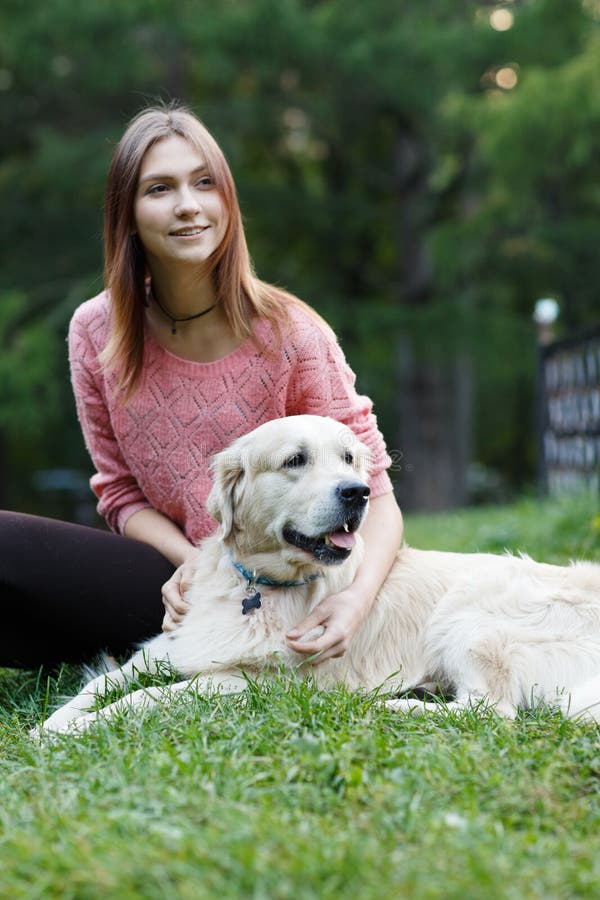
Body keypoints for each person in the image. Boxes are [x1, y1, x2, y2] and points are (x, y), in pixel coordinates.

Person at [0, 103, 403, 670]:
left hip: (274, 590)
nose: (188, 205)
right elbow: (118, 493)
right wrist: (191, 562)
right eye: (160, 188)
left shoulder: (294, 335)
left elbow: (377, 496)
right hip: (172, 579)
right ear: (129, 213)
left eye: (204, 183)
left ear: (227, 200)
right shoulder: (96, 331)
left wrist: (354, 604)